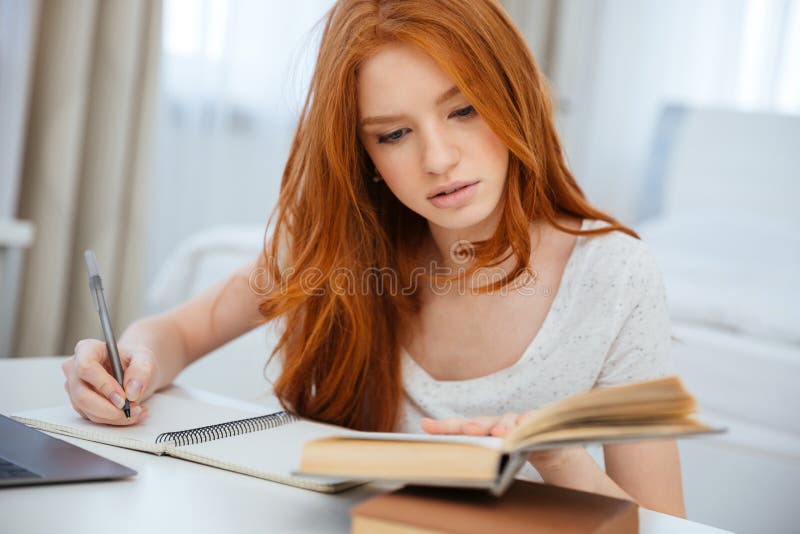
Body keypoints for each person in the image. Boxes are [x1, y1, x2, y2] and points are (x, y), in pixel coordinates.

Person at [62, 0, 685, 517]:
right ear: (366, 157)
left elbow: (665, 526)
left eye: (464, 110)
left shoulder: (614, 277)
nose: (438, 159)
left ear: (514, 96)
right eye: (393, 134)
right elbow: (178, 332)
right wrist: (126, 365)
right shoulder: (338, 247)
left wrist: (556, 458)